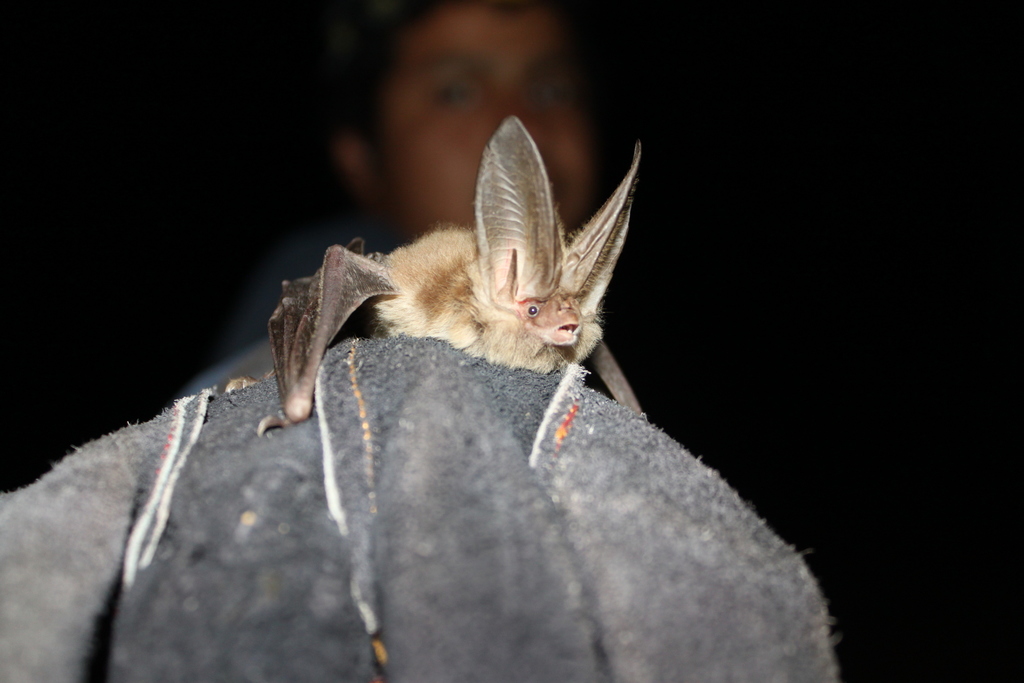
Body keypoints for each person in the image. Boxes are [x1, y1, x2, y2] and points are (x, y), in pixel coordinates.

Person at [188, 0, 600, 394]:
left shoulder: (567, 299)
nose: (525, 125)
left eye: (553, 91)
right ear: (362, 157)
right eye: (456, 93)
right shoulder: (332, 264)